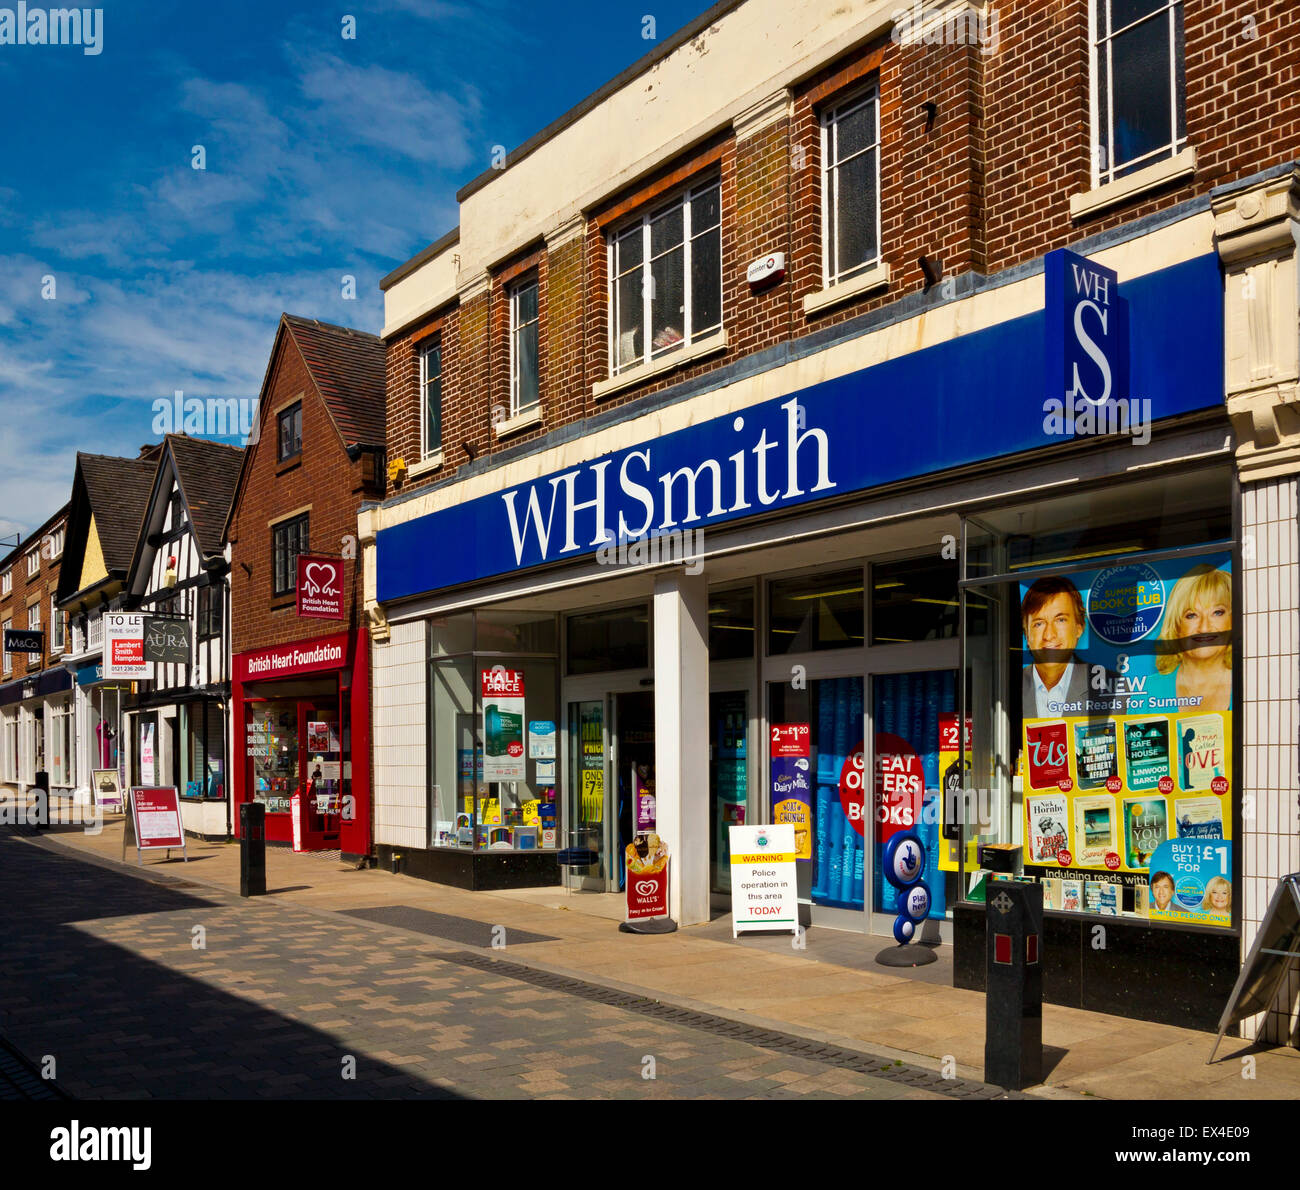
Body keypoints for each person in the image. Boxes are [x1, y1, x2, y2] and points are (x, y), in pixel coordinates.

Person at [1021, 576, 1124, 716]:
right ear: (1027, 634)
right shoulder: (1006, 688)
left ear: (1079, 627)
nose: (1049, 634)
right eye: (1039, 623)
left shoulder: (1112, 685)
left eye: (1060, 620)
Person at [1156, 565, 1232, 711]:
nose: (1204, 628)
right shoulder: (1148, 691)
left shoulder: (1248, 682)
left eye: (1217, 613)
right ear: (1176, 625)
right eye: (1191, 615)